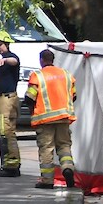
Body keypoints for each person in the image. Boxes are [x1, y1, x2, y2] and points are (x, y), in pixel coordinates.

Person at [25, 49, 77, 190]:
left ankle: (47, 181)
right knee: (64, 146)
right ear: (53, 59)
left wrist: (32, 113)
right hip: (64, 118)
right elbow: (74, 96)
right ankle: (68, 168)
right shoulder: (66, 74)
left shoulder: (38, 76)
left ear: (41, 60)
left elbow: (30, 97)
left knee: (47, 149)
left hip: (45, 120)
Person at [0, 30, 21, 177]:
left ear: (7, 44)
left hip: (7, 100)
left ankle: (12, 166)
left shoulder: (10, 58)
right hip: (0, 100)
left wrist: (4, 60)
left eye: (0, 44)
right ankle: (7, 163)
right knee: (3, 132)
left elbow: (14, 61)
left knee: (6, 132)